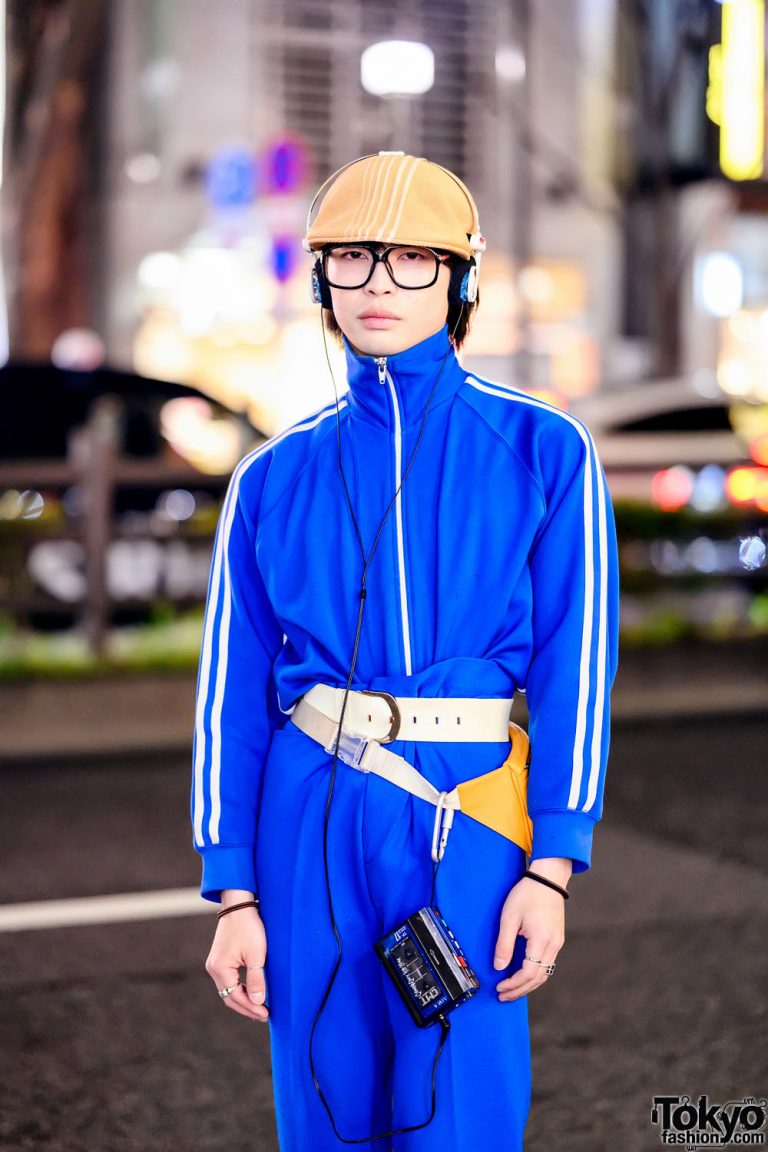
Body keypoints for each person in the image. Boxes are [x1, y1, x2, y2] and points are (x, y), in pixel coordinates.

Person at [192, 151, 619, 1152]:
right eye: (352, 258)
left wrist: (554, 864)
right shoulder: (269, 475)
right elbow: (230, 694)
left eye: (413, 261)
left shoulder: (543, 448)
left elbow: (575, 670)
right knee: (324, 1108)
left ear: (460, 281)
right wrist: (234, 890)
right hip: (308, 814)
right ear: (322, 280)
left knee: (463, 1110)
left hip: (466, 810)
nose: (379, 283)